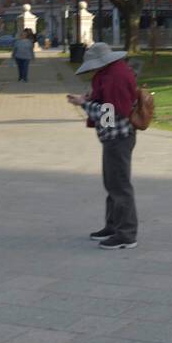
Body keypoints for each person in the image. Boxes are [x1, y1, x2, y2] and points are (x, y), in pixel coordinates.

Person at [67, 41, 140, 249]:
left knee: (119, 185)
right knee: (113, 183)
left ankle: (126, 234)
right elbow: (109, 104)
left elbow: (110, 114)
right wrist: (88, 99)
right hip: (117, 136)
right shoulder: (113, 72)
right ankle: (113, 226)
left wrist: (84, 104)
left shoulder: (114, 77)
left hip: (118, 137)